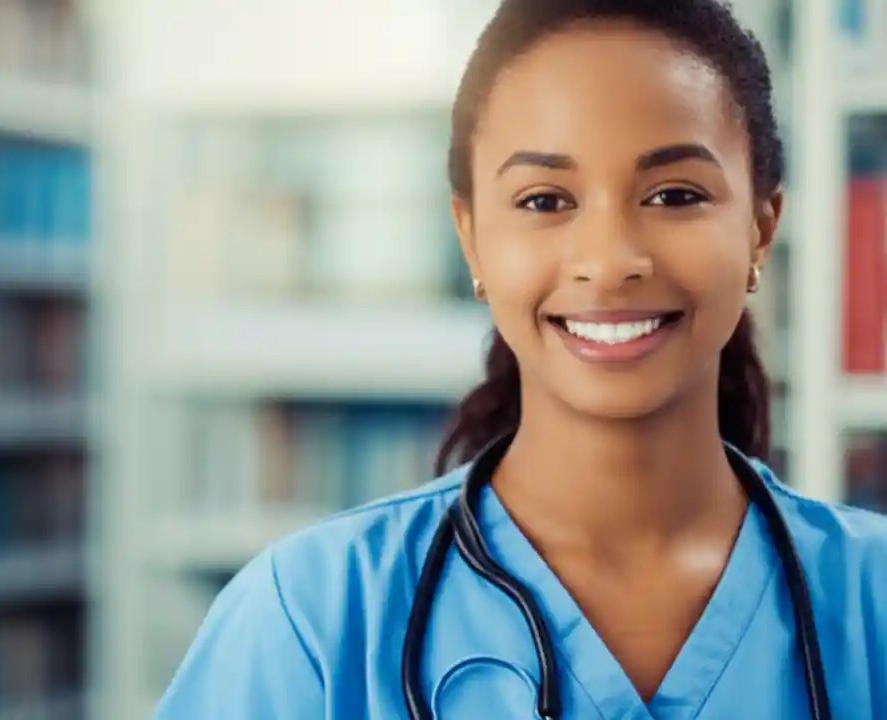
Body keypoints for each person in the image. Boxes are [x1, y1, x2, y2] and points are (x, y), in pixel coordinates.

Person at [154, 0, 887, 717]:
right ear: (470, 237)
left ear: (761, 229)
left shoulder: (872, 599)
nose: (608, 261)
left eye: (673, 194)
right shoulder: (313, 618)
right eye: (544, 201)